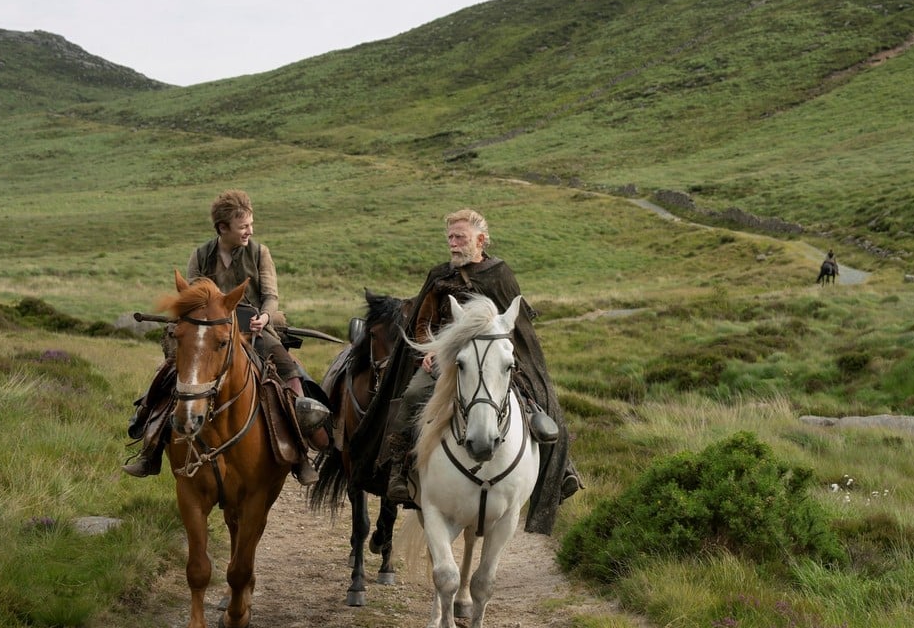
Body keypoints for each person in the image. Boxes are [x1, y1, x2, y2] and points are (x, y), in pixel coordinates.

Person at [355, 208, 582, 536]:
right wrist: (430, 349)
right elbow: (422, 321)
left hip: (493, 357)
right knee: (414, 395)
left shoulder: (499, 274)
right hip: (449, 361)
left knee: (538, 395)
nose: (453, 244)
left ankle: (561, 470)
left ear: (481, 240)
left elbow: (517, 326)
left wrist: (505, 355)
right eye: (450, 238)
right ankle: (399, 472)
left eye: (459, 237)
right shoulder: (439, 276)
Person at [122, 189, 323, 485]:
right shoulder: (201, 255)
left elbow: (271, 296)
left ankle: (300, 453)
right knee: (168, 374)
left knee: (289, 371)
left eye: (251, 225)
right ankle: (149, 447)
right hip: (209, 334)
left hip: (254, 329)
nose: (250, 231)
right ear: (222, 228)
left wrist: (264, 318)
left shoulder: (259, 252)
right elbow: (190, 299)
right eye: (243, 226)